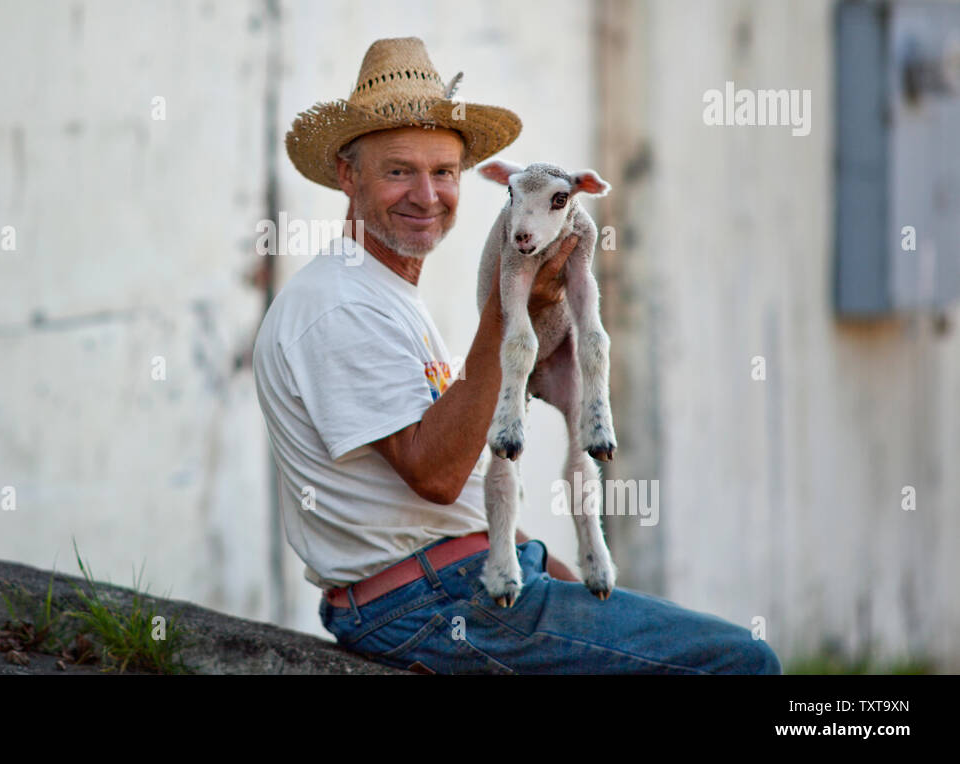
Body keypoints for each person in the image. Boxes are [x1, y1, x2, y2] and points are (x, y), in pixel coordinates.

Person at [252, 37, 781, 674]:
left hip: (461, 587)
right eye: (399, 171)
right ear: (347, 174)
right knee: (741, 664)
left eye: (443, 172)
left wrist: (551, 571)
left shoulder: (381, 292)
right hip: (429, 605)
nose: (427, 194)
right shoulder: (339, 302)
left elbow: (460, 497)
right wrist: (516, 304)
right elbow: (436, 474)